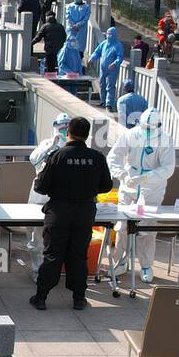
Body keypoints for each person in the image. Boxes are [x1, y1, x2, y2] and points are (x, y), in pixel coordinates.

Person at [30, 116, 115, 309]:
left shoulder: (57, 156)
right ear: (86, 135)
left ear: (67, 132)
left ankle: (41, 297)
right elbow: (106, 185)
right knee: (78, 255)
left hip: (59, 211)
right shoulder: (97, 157)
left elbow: (41, 187)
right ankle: (78, 298)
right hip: (84, 211)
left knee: (52, 254)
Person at [107, 107, 178, 283]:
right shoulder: (130, 135)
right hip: (129, 184)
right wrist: (122, 175)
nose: (147, 131)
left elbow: (168, 168)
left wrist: (146, 178)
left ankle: (146, 265)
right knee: (123, 226)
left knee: (147, 228)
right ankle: (120, 261)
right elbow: (113, 156)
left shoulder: (165, 140)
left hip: (152, 189)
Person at [26, 112, 71, 279]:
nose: (64, 131)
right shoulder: (46, 144)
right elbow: (34, 159)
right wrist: (51, 145)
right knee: (36, 235)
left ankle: (53, 270)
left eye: (67, 128)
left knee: (58, 238)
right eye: (61, 128)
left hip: (61, 198)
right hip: (40, 196)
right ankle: (37, 270)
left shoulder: (73, 148)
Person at [88, 26, 125, 110]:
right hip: (103, 68)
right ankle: (103, 101)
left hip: (112, 69)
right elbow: (97, 52)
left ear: (114, 35)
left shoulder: (118, 45)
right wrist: (92, 58)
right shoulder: (104, 43)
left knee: (110, 86)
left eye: (110, 34)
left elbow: (120, 57)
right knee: (102, 84)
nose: (109, 36)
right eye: (108, 34)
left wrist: (115, 63)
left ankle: (109, 104)